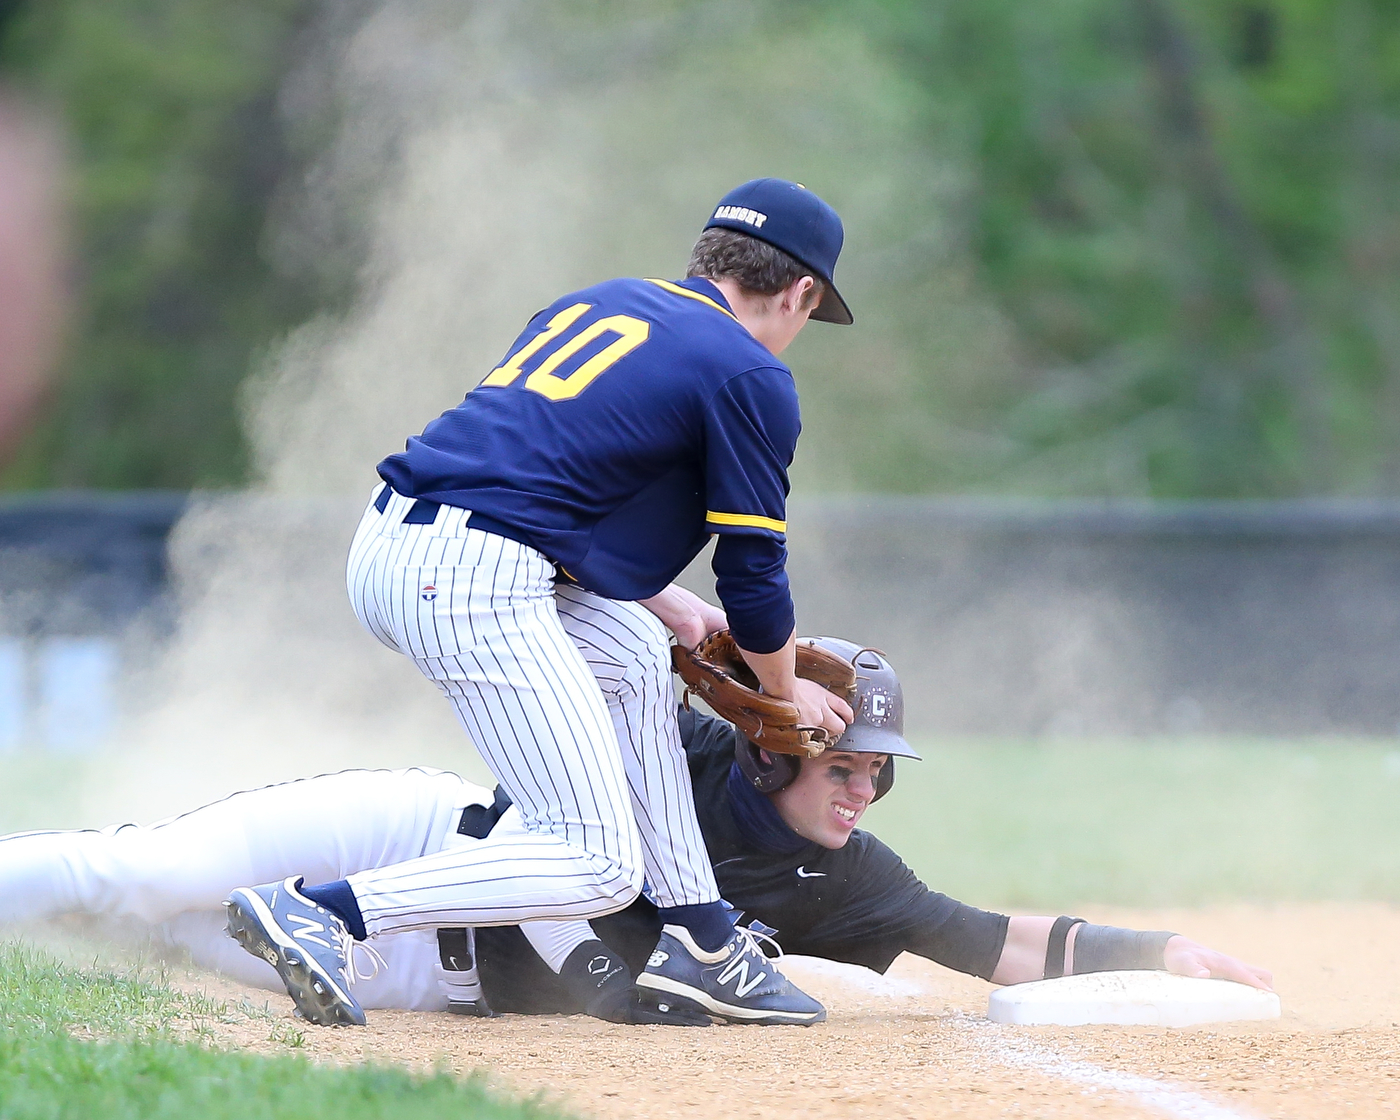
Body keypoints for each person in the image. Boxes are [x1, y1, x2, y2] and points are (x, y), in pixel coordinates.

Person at [223, 178, 855, 1027]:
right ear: (802, 290)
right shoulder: (749, 369)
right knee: (595, 861)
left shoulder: (598, 305)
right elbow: (752, 571)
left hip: (396, 542)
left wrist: (667, 601)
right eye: (812, 312)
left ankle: (702, 942)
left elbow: (542, 476)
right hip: (472, 578)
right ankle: (325, 910)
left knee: (633, 651)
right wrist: (783, 698)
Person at [0, 639, 1270, 1026]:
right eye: (846, 763)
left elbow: (982, 938)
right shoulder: (688, 745)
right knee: (144, 869)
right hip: (405, 831)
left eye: (881, 775)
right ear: (781, 737)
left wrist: (1152, 948)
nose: (862, 794)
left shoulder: (844, 874)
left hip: (418, 976)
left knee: (145, 936)